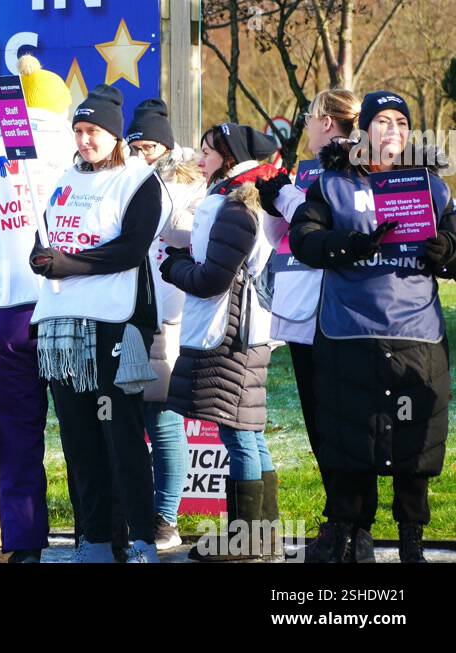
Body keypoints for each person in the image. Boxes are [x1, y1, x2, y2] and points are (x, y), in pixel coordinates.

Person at [289, 91, 454, 563]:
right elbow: (305, 238)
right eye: (382, 121)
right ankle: (346, 536)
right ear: (361, 130)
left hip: (416, 333)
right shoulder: (333, 184)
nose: (394, 131)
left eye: (402, 123)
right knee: (349, 440)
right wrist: (349, 244)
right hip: (348, 332)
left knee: (413, 445)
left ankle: (411, 545)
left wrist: (447, 250)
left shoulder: (432, 186)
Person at [29, 84, 167, 563]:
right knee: (79, 436)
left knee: (122, 435)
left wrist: (72, 264)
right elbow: (45, 234)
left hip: (119, 322)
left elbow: (132, 247)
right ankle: (96, 537)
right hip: (64, 325)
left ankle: (142, 538)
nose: (85, 139)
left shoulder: (139, 179)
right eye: (79, 130)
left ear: (114, 135)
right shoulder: (65, 177)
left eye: (94, 131)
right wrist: (42, 258)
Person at [0, 54, 75, 561]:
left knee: (18, 434)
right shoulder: (78, 146)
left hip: (5, 311)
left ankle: (24, 543)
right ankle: (95, 534)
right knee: (84, 432)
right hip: (70, 306)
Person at [160, 123, 280, 561]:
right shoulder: (243, 200)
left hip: (229, 334)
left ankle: (246, 539)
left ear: (230, 157)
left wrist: (173, 268)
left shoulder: (234, 207)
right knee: (250, 431)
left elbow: (212, 279)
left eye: (209, 151)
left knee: (238, 434)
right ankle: (261, 535)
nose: (200, 157)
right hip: (246, 332)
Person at [255, 88, 361, 560]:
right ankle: (336, 521)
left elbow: (332, 223)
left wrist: (289, 196)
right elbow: (288, 233)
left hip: (338, 310)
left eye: (312, 116)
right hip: (299, 311)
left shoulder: (352, 165)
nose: (308, 123)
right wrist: (272, 201)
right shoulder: (308, 166)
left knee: (341, 425)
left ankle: (350, 526)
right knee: (318, 425)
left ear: (328, 121)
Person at [124, 98, 206, 550]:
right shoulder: (124, 180)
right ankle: (136, 512)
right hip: (127, 314)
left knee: (164, 418)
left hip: (169, 316)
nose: (142, 153)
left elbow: (192, 241)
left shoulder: (186, 185)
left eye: (151, 145)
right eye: (136, 145)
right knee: (130, 417)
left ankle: (166, 518)